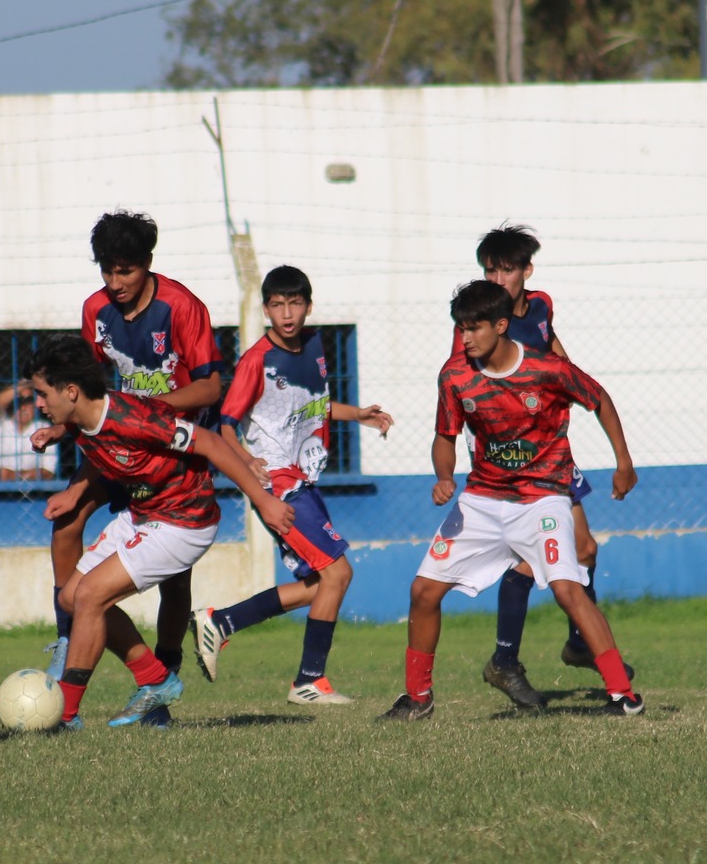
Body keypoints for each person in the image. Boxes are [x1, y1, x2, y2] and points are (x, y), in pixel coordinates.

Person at [386, 280, 642, 721]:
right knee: (423, 591)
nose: (466, 338)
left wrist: (624, 461)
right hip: (482, 499)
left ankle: (624, 697)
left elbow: (598, 398)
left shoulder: (546, 368)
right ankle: (418, 698)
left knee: (568, 589)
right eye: (461, 328)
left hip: (542, 498)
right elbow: (445, 436)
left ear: (501, 325)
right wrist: (444, 476)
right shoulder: (455, 375)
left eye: (475, 328)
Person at [24, 335, 294, 730]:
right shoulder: (83, 419)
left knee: (91, 596)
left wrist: (264, 502)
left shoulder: (134, 418)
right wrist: (75, 489)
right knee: (71, 598)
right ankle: (154, 677)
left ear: (71, 391)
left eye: (42, 394)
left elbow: (211, 443)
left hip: (185, 521)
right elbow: (104, 447)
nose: (38, 404)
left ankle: (65, 715)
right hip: (145, 513)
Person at [33, 210, 222, 726]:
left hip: (173, 452)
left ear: (147, 264)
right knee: (67, 517)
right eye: (107, 270)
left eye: (126, 271)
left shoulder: (182, 307)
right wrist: (62, 426)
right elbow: (82, 387)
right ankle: (69, 631)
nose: (115, 283)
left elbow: (211, 387)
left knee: (174, 580)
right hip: (116, 441)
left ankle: (162, 679)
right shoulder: (96, 310)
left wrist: (147, 413)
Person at [192, 265, 392, 704]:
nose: (287, 313)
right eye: (278, 305)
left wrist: (357, 414)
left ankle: (221, 623)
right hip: (279, 483)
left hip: (304, 479)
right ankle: (309, 681)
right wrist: (248, 463)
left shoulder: (315, 345)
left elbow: (314, 405)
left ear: (308, 306)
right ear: (265, 309)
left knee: (322, 585)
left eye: (295, 303)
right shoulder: (256, 361)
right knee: (338, 572)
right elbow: (226, 427)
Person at [458, 224, 632, 710]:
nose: (497, 278)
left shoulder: (540, 306)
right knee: (533, 557)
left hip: (548, 443)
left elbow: (552, 349)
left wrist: (569, 381)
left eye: (506, 270)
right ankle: (507, 659)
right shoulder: (478, 325)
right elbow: (465, 384)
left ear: (526, 271)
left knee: (585, 549)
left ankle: (574, 644)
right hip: (509, 453)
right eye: (489, 270)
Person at [0, 382, 55, 483]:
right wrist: (29, 381)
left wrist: (12, 475)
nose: (23, 407)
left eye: (28, 401)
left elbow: (48, 472)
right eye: (18, 401)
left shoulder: (43, 427)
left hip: (22, 489)